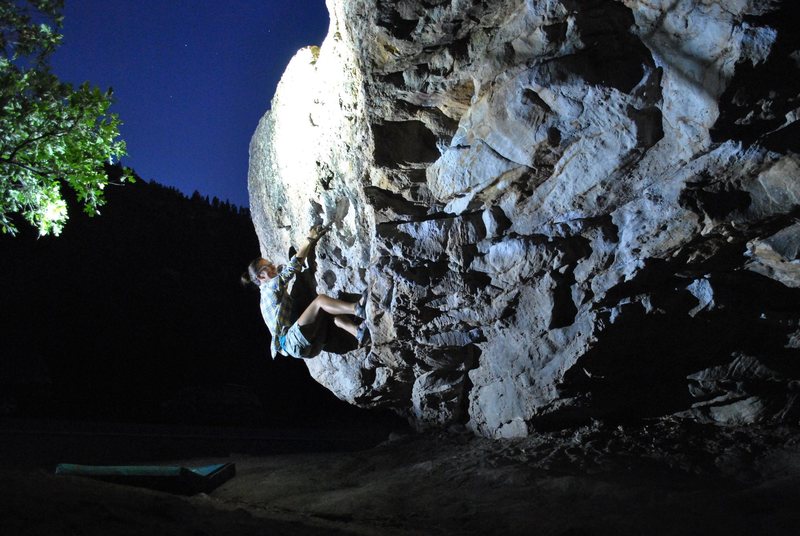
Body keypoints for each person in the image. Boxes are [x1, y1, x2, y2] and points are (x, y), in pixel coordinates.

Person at [241, 224, 368, 359]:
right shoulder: (268, 288)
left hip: (305, 347)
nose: (273, 266)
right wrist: (310, 239)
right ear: (261, 276)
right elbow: (292, 268)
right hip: (293, 341)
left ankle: (358, 332)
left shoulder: (267, 294)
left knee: (327, 310)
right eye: (269, 266)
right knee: (320, 301)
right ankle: (358, 308)